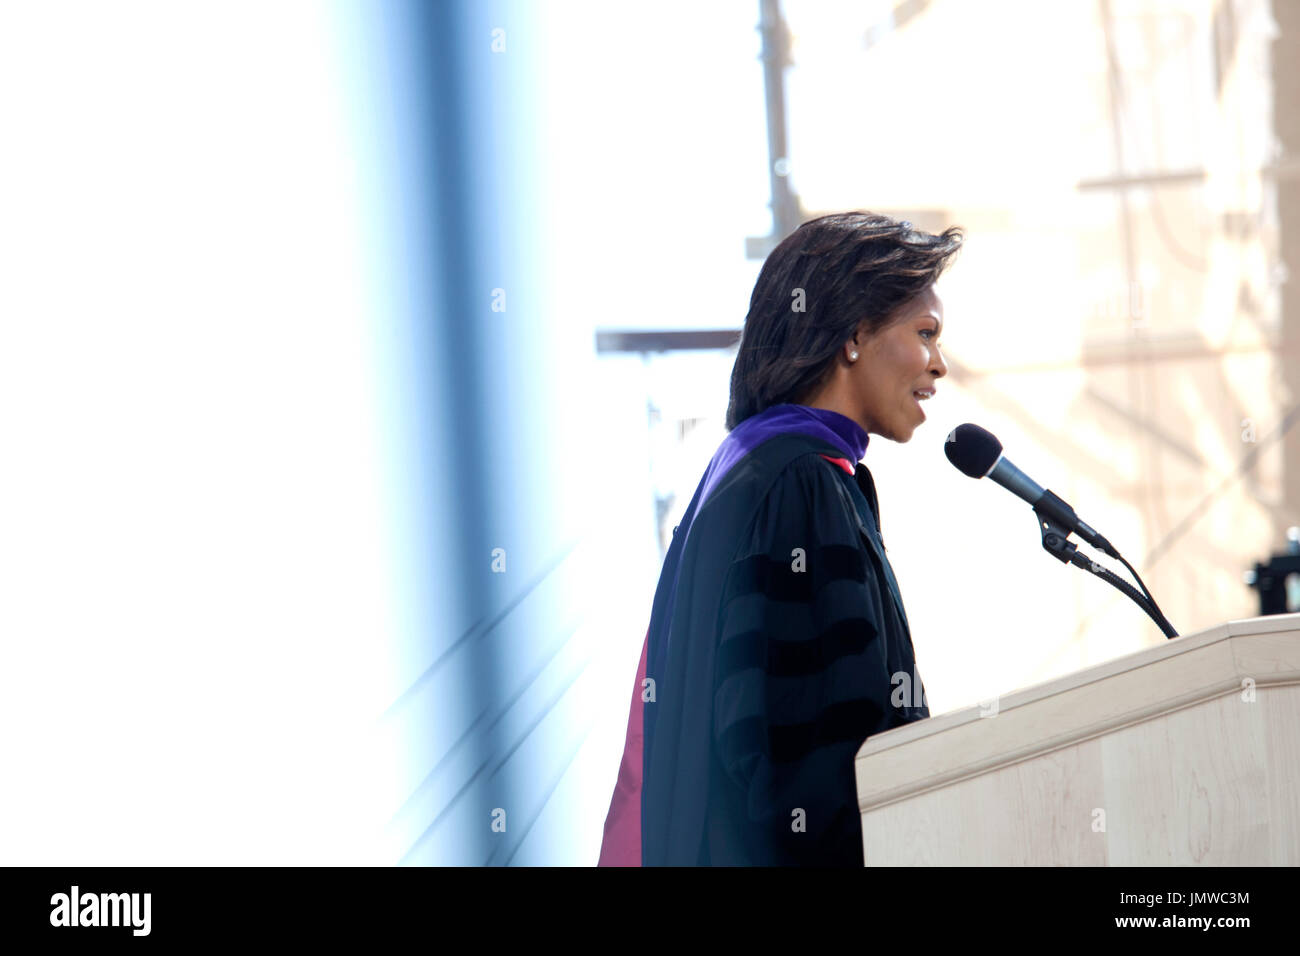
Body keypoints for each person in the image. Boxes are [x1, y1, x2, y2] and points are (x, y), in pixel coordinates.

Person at [598, 211, 964, 866]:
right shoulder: (797, 485)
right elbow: (812, 763)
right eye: (925, 333)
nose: (940, 365)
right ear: (854, 335)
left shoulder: (752, 477)